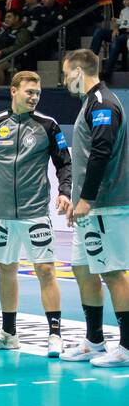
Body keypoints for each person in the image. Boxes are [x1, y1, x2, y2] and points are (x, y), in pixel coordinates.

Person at [0, 71, 70, 355]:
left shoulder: (48, 125)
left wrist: (64, 191)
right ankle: (8, 334)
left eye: (37, 94)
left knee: (45, 270)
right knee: (6, 270)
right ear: (13, 91)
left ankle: (55, 334)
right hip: (3, 214)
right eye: (29, 92)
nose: (34, 98)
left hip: (35, 212)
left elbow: (64, 162)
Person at [59, 49, 129, 365]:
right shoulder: (89, 103)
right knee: (82, 267)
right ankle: (94, 340)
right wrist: (77, 202)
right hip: (88, 207)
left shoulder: (103, 103)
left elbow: (102, 151)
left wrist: (86, 199)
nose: (63, 81)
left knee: (114, 273)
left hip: (108, 205)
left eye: (65, 74)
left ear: (78, 71)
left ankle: (127, 347)